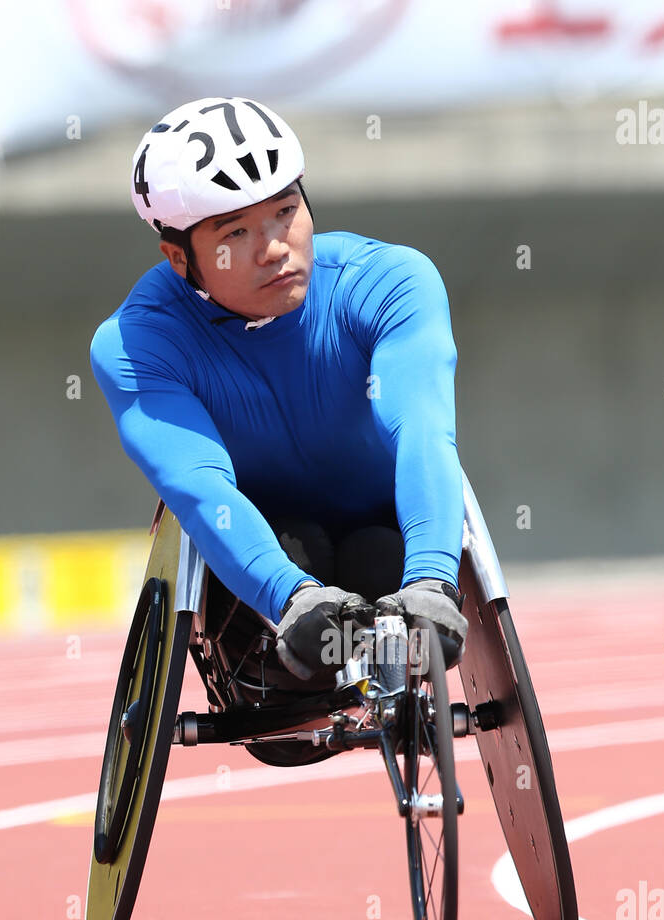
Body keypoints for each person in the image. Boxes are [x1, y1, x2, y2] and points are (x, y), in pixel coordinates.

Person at [90, 96, 468, 699]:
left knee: (378, 556)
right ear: (178, 257)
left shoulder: (391, 281)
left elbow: (423, 431)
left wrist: (431, 580)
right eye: (235, 232)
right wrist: (291, 594)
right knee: (303, 549)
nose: (272, 247)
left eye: (285, 212)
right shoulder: (136, 343)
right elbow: (199, 487)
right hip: (265, 569)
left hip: (386, 529)